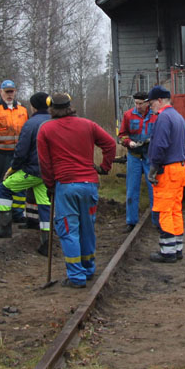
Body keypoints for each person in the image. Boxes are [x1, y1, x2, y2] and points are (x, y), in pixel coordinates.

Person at [37, 93, 116, 288]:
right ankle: (88, 269)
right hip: (89, 185)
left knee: (68, 231)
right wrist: (105, 167)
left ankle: (76, 277)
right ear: (70, 106)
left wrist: (49, 185)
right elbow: (110, 144)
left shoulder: (46, 129)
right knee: (87, 228)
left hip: (65, 186)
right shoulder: (88, 125)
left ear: (51, 109)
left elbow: (45, 163)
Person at [0, 92, 53, 256]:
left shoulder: (31, 124)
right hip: (47, 172)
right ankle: (46, 241)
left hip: (32, 170)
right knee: (44, 204)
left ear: (33, 106)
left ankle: (5, 227)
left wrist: (13, 168)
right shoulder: (54, 122)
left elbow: (21, 151)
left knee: (3, 188)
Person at [145, 85, 185, 263]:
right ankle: (177, 248)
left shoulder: (163, 118)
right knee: (175, 209)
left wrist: (153, 167)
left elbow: (160, 145)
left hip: (168, 170)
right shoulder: (178, 117)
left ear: (160, 101)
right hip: (180, 168)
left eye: (152, 103)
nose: (151, 107)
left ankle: (167, 252)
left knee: (164, 210)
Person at [0, 79, 28, 222]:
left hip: (19, 154)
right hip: (1, 153)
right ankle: (2, 214)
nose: (9, 95)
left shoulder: (22, 109)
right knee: (1, 182)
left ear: (15, 92)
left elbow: (26, 131)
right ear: (1, 92)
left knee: (20, 184)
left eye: (12, 91)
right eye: (7, 92)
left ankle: (17, 213)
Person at [118, 91, 157, 233]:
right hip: (134, 156)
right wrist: (129, 142)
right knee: (131, 190)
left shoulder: (155, 116)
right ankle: (131, 222)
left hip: (149, 156)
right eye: (136, 103)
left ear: (147, 103)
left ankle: (156, 221)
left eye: (140, 103)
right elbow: (122, 135)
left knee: (153, 189)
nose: (138, 106)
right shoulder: (128, 115)